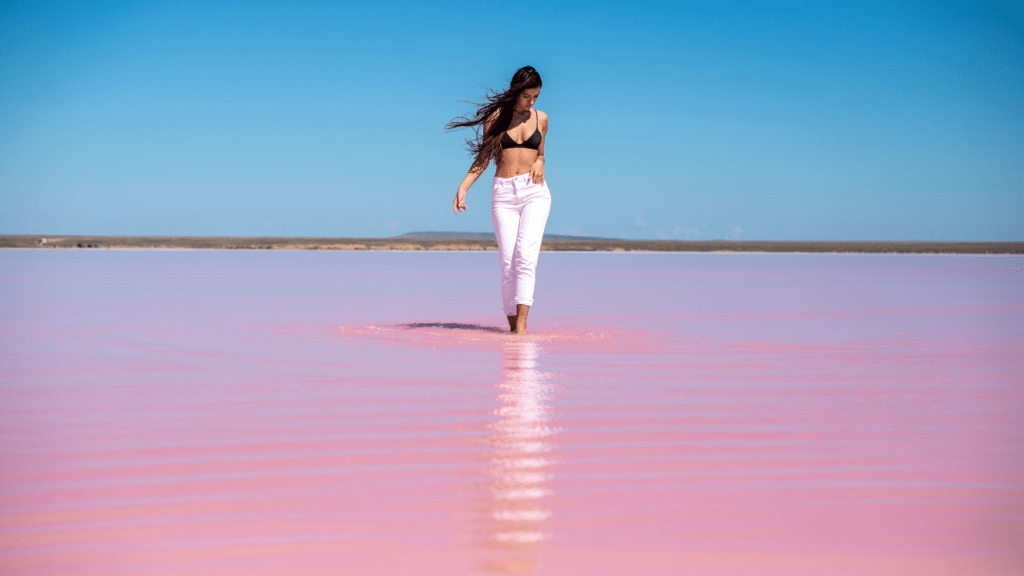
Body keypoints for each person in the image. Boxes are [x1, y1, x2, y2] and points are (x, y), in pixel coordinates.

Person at [446, 66, 550, 334]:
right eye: (527, 96)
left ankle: (522, 330)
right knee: (508, 265)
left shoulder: (542, 119)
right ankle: (513, 328)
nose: (531, 102)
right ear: (516, 92)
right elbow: (483, 159)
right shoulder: (494, 119)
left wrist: (540, 160)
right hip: (503, 194)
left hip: (534, 192)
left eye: (536, 96)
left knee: (526, 259)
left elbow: (540, 153)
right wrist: (463, 186)